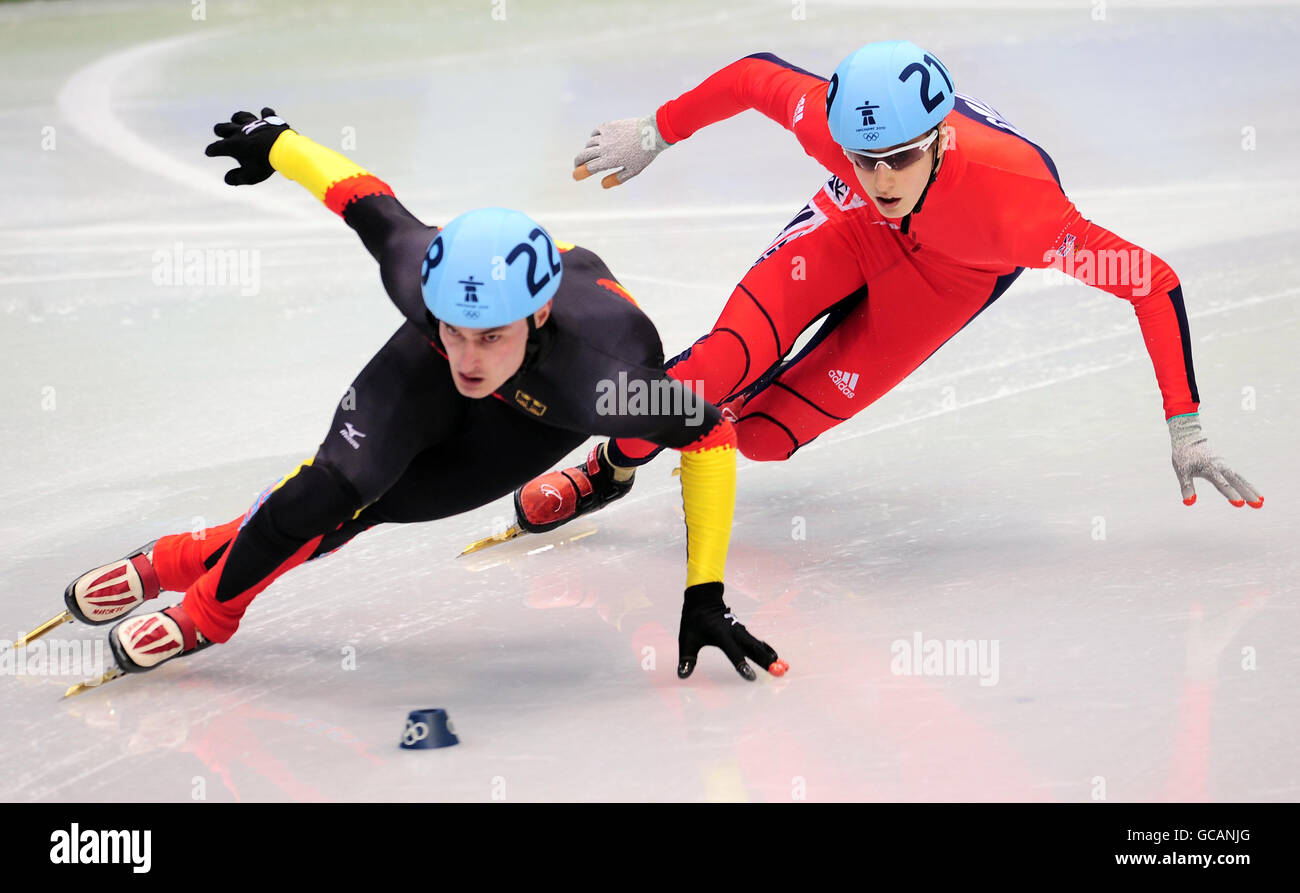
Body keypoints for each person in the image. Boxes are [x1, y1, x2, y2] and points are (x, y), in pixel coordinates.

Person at [59, 108, 787, 685]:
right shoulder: (421, 277)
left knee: (382, 505)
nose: (469, 358)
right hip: (440, 359)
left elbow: (709, 433)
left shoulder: (605, 378)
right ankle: (209, 611)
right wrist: (275, 140)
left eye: (489, 336)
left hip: (541, 408)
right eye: (456, 329)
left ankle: (189, 565)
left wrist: (704, 595)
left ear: (535, 316)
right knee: (331, 488)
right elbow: (364, 199)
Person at [511, 40, 1262, 536]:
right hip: (846, 232)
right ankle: (608, 468)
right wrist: (656, 131)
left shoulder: (1022, 209)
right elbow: (749, 78)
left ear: (939, 137)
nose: (880, 179)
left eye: (900, 158)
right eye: (863, 158)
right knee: (715, 365)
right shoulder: (837, 136)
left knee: (764, 439)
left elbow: (1151, 283)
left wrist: (1185, 426)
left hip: (953, 274)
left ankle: (719, 403)